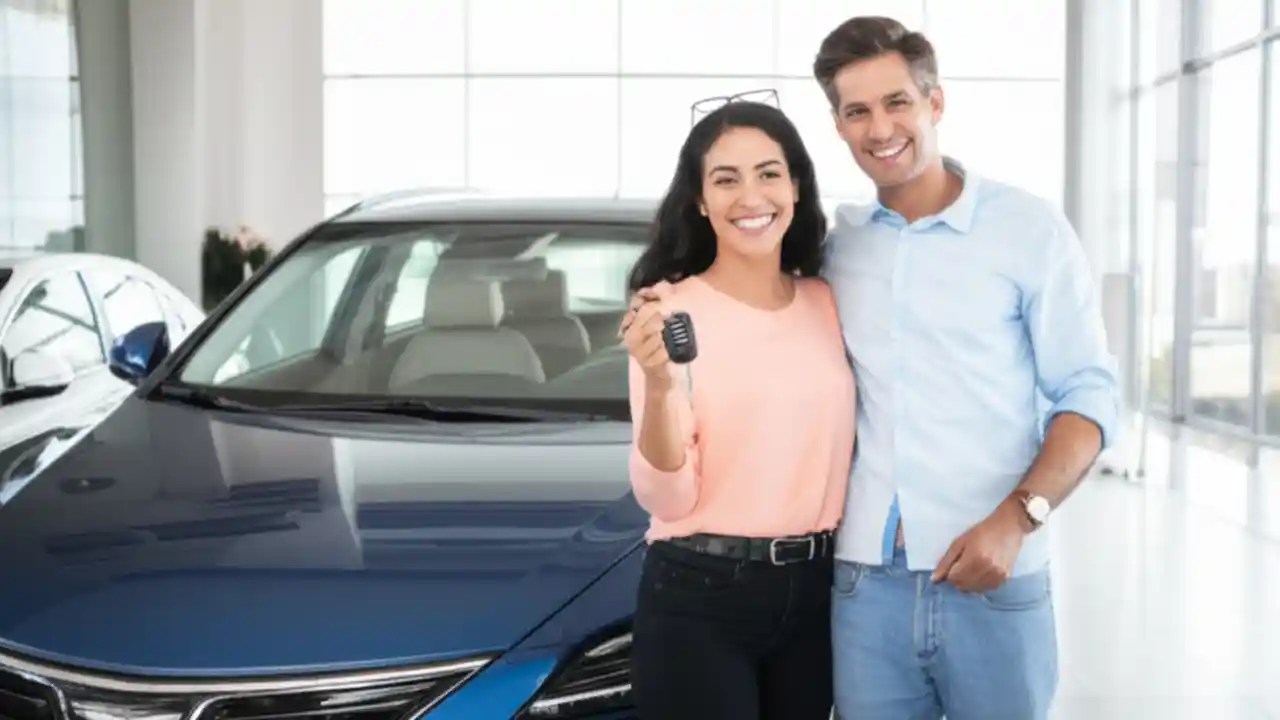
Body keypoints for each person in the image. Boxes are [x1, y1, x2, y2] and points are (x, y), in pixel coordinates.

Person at [811, 16, 1119, 720]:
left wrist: (1018, 518)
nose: (879, 127)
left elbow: (1089, 395)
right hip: (865, 584)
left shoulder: (1029, 229)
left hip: (996, 575)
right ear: (838, 126)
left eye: (897, 102)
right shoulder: (839, 249)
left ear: (935, 104)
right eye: (857, 111)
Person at [618, 100, 856, 719]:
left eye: (769, 173)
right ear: (699, 200)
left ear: (797, 186)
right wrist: (661, 385)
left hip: (815, 592)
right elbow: (667, 500)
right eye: (726, 179)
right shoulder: (666, 313)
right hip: (699, 593)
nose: (751, 196)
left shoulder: (827, 301)